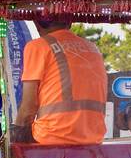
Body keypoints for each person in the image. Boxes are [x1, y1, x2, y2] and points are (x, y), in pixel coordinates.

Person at [13, 17, 108, 145]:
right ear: (70, 22)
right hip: (94, 137)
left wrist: (15, 135)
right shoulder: (93, 49)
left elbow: (28, 109)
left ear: (37, 22)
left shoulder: (37, 46)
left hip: (52, 135)